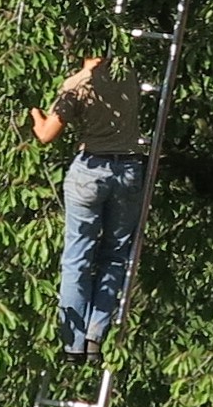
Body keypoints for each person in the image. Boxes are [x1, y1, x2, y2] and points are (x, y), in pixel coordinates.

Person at [31, 52, 151, 357]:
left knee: (77, 258)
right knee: (115, 254)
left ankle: (73, 343)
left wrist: (34, 114)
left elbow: (46, 135)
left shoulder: (78, 84)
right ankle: (97, 332)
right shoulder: (129, 75)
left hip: (90, 171)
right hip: (128, 170)